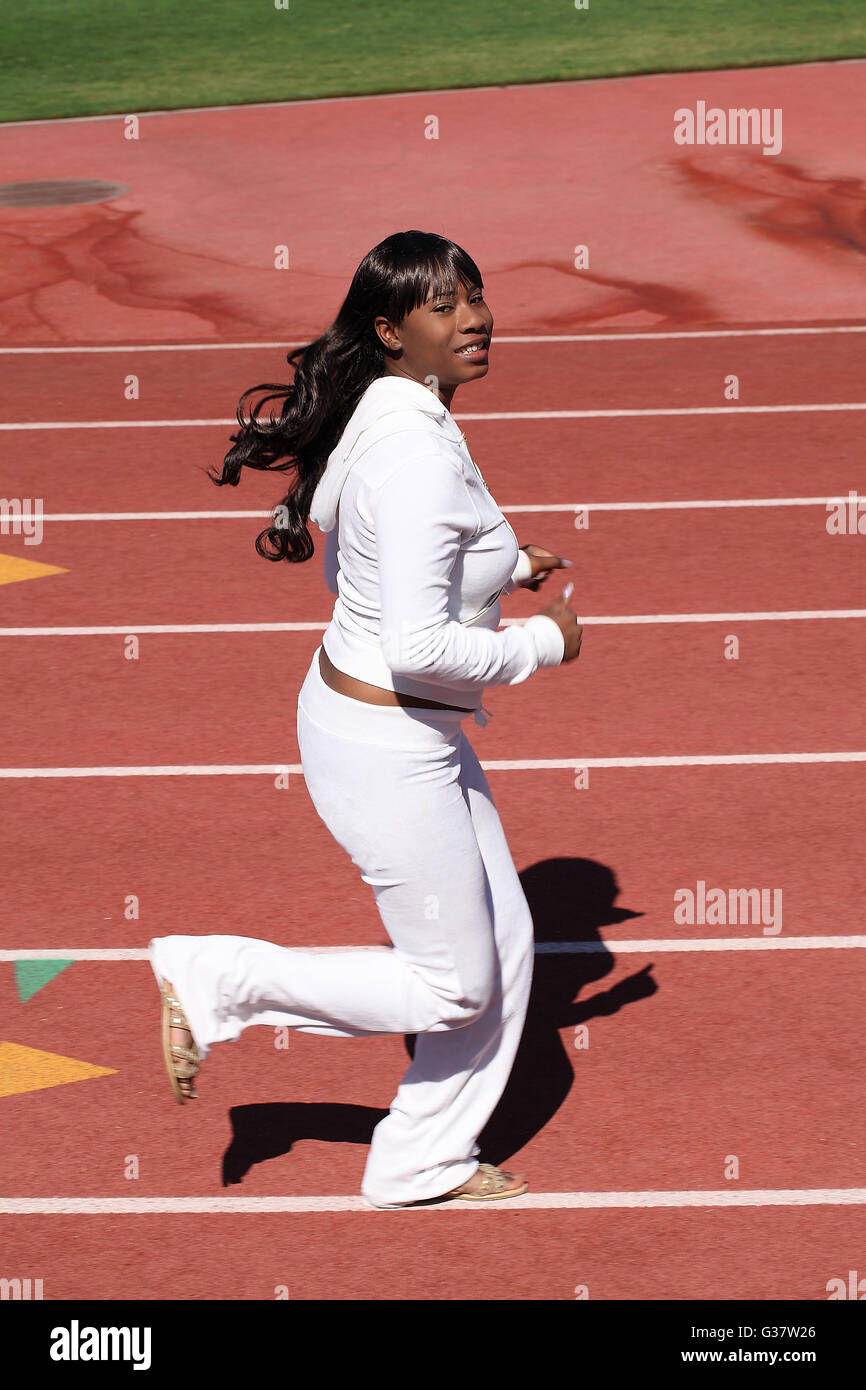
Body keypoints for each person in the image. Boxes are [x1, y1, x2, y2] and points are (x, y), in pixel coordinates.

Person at [150, 230, 582, 1208]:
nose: (471, 316)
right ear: (391, 330)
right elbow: (417, 644)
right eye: (442, 305)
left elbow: (386, 554)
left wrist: (504, 567)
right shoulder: (413, 452)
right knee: (453, 987)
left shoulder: (392, 408)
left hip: (394, 729)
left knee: (507, 943)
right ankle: (220, 979)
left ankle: (416, 1158)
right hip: (387, 742)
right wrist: (540, 643)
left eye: (474, 294)